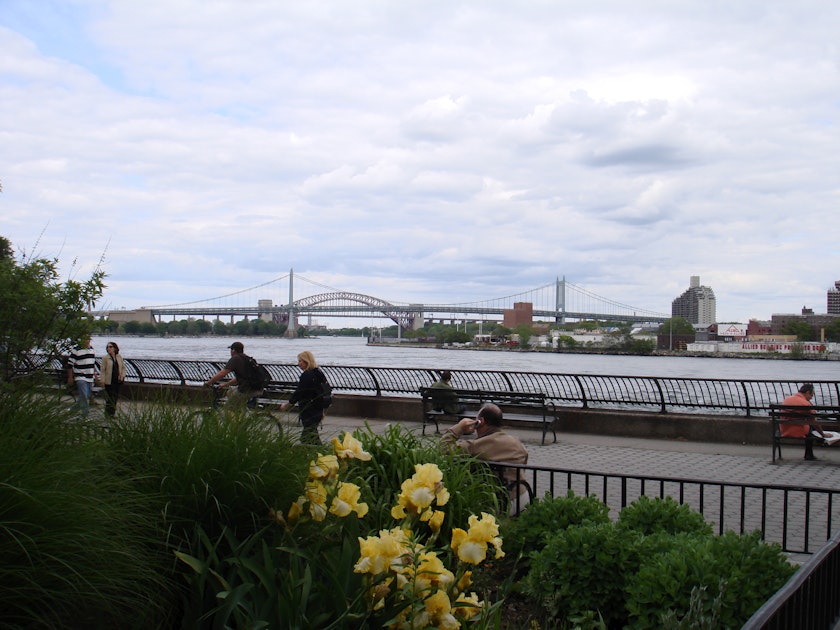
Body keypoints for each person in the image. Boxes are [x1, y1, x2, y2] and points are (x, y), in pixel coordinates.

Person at [441, 403, 530, 510]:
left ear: (480, 422)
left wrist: (459, 427)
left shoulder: (475, 446)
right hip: (521, 497)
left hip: (494, 502)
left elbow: (444, 449)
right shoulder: (517, 443)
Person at [281, 350, 329, 445]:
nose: (298, 364)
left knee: (309, 434)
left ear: (307, 361)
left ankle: (318, 453)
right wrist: (322, 410)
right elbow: (323, 391)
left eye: (300, 361)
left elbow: (299, 392)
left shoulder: (307, 375)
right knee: (311, 433)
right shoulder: (318, 372)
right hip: (317, 408)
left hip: (308, 408)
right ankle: (316, 452)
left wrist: (288, 404)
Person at [203, 341, 264, 409]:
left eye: (231, 350)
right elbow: (239, 379)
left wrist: (209, 382)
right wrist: (225, 384)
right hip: (257, 388)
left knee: (228, 407)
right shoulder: (247, 358)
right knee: (231, 392)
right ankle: (240, 414)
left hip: (247, 390)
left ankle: (231, 417)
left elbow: (222, 373)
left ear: (233, 350)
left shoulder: (235, 359)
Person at [780, 383, 824, 461]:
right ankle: (809, 454)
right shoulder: (806, 404)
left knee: (808, 425)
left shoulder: (787, 399)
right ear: (807, 392)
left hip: (784, 430)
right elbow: (814, 421)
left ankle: (809, 454)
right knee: (812, 428)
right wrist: (823, 434)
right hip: (799, 431)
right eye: (812, 395)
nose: (811, 398)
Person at [67, 336, 97, 417]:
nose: (87, 341)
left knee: (86, 396)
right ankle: (85, 415)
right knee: (84, 395)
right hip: (80, 376)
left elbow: (92, 364)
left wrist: (95, 375)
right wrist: (70, 377)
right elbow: (70, 364)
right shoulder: (76, 350)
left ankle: (72, 410)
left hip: (90, 377)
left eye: (88, 339)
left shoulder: (91, 349)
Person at [99, 341, 125, 417]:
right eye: (107, 347)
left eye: (110, 347)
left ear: (115, 348)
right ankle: (108, 413)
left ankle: (112, 413)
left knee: (115, 396)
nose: (109, 348)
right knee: (110, 397)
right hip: (109, 380)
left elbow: (123, 367)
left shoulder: (119, 357)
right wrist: (102, 380)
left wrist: (122, 376)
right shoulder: (105, 358)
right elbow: (103, 370)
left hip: (117, 380)